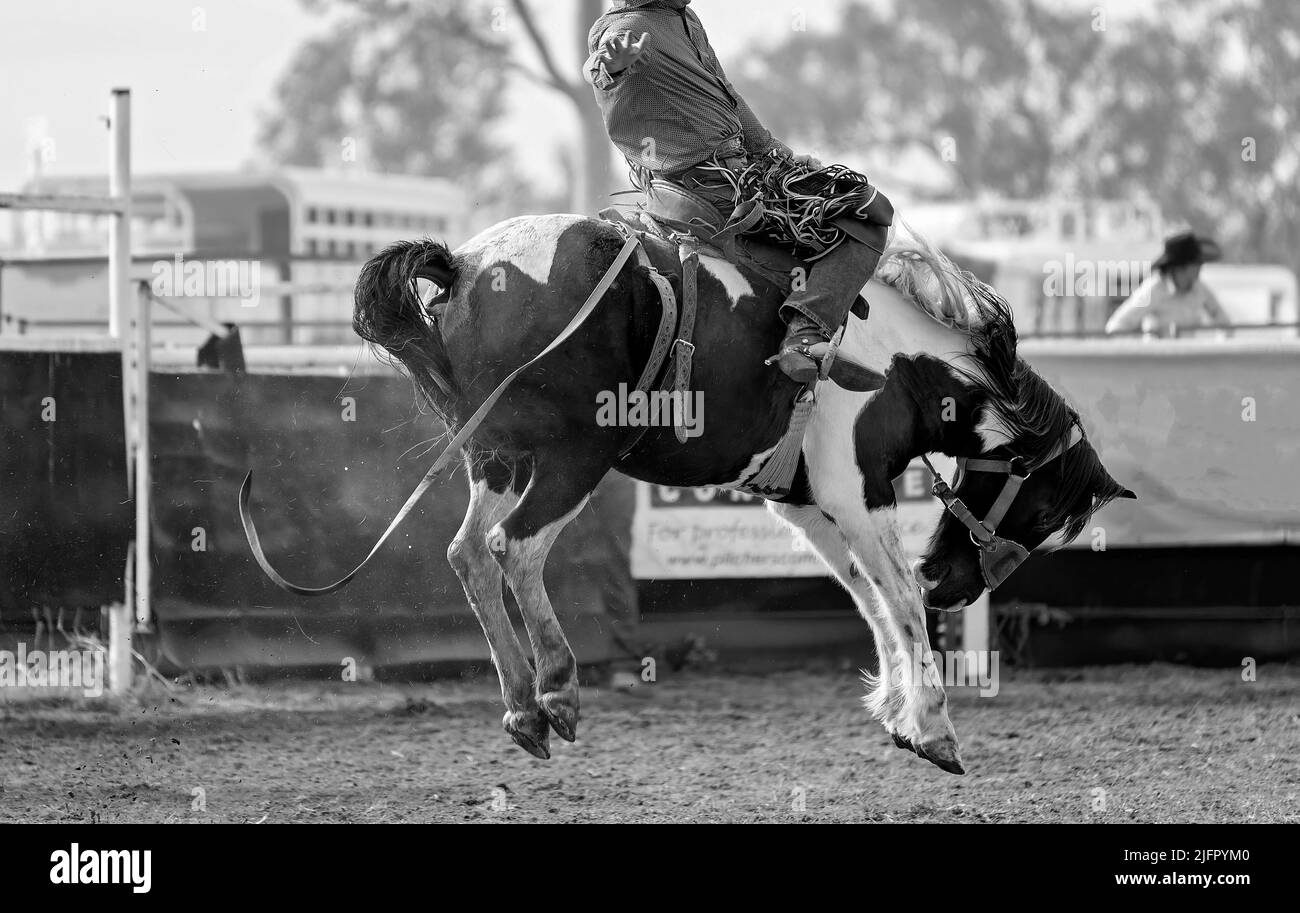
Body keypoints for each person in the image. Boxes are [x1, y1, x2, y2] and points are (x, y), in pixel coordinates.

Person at [583, 0, 895, 385]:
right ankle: (804, 333)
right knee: (870, 210)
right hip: (715, 186)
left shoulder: (684, 19)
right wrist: (609, 66)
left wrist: (780, 155)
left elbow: (731, 98)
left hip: (741, 172)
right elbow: (602, 64)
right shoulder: (625, 28)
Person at [1105, 231, 1231, 336]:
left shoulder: (1200, 289)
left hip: (1190, 360)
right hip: (1158, 361)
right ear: (1180, 267)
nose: (1200, 267)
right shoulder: (1154, 290)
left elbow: (1223, 322)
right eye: (1195, 263)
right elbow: (1117, 325)